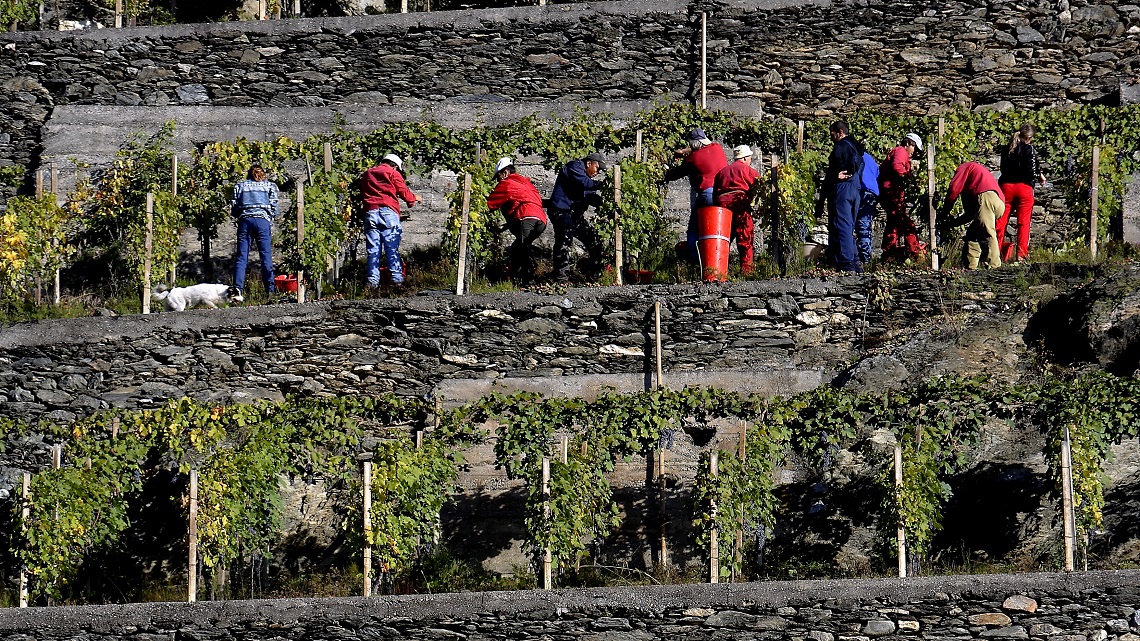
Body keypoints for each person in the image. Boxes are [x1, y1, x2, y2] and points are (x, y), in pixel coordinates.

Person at [663, 128, 728, 261]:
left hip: (707, 194)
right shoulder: (717, 147)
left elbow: (676, 174)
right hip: (722, 193)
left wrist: (665, 174)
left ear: (692, 144)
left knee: (695, 228)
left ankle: (694, 259)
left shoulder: (693, 158)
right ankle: (717, 259)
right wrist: (684, 152)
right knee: (717, 229)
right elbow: (701, 148)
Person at [359, 153, 422, 288]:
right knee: (391, 249)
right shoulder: (392, 173)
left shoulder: (367, 174)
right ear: (394, 166)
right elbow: (403, 191)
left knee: (373, 250)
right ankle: (397, 281)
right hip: (388, 213)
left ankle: (372, 283)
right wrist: (413, 199)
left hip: (371, 212)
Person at [486, 157, 548, 285]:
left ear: (505, 172)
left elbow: (489, 204)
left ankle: (527, 282)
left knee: (522, 249)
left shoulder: (506, 183)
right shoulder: (527, 184)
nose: (498, 180)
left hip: (526, 217)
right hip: (541, 220)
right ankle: (521, 277)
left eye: (498, 176)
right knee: (519, 246)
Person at [549, 151, 607, 282]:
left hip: (575, 215)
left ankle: (593, 276)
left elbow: (590, 196)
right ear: (588, 163)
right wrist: (602, 184)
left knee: (594, 241)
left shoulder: (587, 178)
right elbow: (584, 183)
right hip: (560, 210)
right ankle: (561, 278)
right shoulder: (574, 167)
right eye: (597, 169)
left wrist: (605, 203)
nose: (597, 173)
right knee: (565, 236)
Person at [939, 161, 1006, 269]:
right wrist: (951, 224)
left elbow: (954, 189)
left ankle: (994, 267)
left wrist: (944, 213)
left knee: (987, 233)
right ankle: (970, 267)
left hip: (986, 197)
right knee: (973, 234)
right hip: (998, 203)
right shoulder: (973, 183)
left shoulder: (965, 167)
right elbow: (970, 215)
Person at [996, 123, 1046, 262]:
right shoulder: (1029, 149)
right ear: (1029, 137)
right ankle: (1021, 255)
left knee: (1000, 221)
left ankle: (994, 254)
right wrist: (1039, 176)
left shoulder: (1006, 149)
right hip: (1024, 189)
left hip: (1006, 188)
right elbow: (1032, 170)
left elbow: (1003, 169)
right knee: (1023, 223)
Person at [822, 121, 864, 273]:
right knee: (849, 225)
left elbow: (835, 170)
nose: (831, 138)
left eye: (832, 135)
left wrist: (834, 176)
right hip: (855, 189)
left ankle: (847, 263)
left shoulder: (841, 147)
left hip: (843, 190)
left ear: (840, 132)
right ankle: (855, 261)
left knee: (842, 225)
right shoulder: (857, 148)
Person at [231, 164, 279, 296]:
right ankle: (270, 291)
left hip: (245, 221)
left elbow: (234, 207)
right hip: (262, 221)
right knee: (266, 257)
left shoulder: (240, 186)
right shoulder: (269, 186)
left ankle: (237, 290)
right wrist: (269, 217)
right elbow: (275, 206)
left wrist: (240, 214)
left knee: (241, 257)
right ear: (262, 174)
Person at [713, 144, 761, 274]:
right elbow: (759, 190)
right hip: (740, 204)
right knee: (745, 237)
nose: (750, 160)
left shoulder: (721, 173)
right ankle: (747, 272)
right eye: (750, 157)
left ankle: (717, 271)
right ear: (745, 158)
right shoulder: (749, 172)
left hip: (722, 206)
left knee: (722, 239)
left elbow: (714, 194)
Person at [879, 133, 926, 262]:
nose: (914, 153)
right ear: (908, 144)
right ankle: (915, 252)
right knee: (907, 224)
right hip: (891, 193)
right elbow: (897, 167)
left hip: (891, 194)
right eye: (915, 149)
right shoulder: (901, 151)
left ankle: (888, 254)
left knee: (893, 224)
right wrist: (909, 176)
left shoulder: (899, 152)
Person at [856, 143, 880, 266]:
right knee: (865, 226)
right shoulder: (870, 159)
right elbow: (877, 176)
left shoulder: (853, 155)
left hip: (859, 190)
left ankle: (857, 260)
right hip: (872, 193)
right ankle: (866, 260)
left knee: (851, 225)